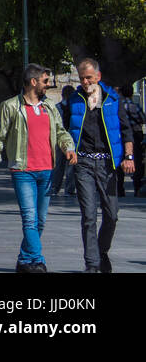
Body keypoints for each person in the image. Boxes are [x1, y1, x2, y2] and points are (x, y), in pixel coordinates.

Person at [0, 64, 77, 274]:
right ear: (33, 82)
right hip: (22, 169)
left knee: (40, 220)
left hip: (47, 170)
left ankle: (24, 260)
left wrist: (68, 146)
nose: (48, 85)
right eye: (45, 81)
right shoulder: (11, 106)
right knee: (29, 217)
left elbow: (61, 131)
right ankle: (38, 260)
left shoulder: (49, 106)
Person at [66, 58, 134, 273]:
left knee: (112, 214)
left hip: (107, 163)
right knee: (88, 216)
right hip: (83, 162)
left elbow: (126, 131)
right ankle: (92, 264)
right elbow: (65, 129)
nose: (85, 82)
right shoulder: (74, 100)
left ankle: (101, 250)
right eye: (82, 78)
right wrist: (68, 149)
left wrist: (128, 157)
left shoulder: (113, 99)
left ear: (98, 77)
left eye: (89, 78)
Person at [117, 84, 144, 198]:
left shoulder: (118, 106)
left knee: (119, 162)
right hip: (135, 136)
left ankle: (119, 189)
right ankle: (137, 188)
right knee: (137, 162)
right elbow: (143, 118)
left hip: (121, 137)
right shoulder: (135, 106)